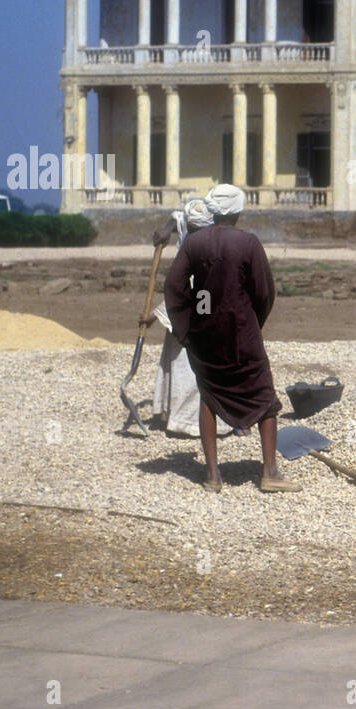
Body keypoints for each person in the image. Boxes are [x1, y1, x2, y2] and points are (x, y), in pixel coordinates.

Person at [163, 184, 300, 494]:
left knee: (209, 396)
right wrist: (251, 322)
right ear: (238, 210)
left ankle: (212, 476)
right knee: (264, 397)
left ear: (213, 210)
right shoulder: (248, 243)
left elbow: (175, 286)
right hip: (242, 333)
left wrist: (190, 325)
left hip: (205, 335)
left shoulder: (195, 243)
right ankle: (269, 473)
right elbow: (263, 292)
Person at [142, 197, 233, 438]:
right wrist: (167, 229)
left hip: (201, 317)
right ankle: (180, 417)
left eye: (195, 231)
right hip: (188, 315)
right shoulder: (192, 231)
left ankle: (194, 424)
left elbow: (190, 292)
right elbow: (179, 217)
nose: (192, 234)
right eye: (190, 231)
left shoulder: (210, 252)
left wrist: (155, 315)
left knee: (195, 369)